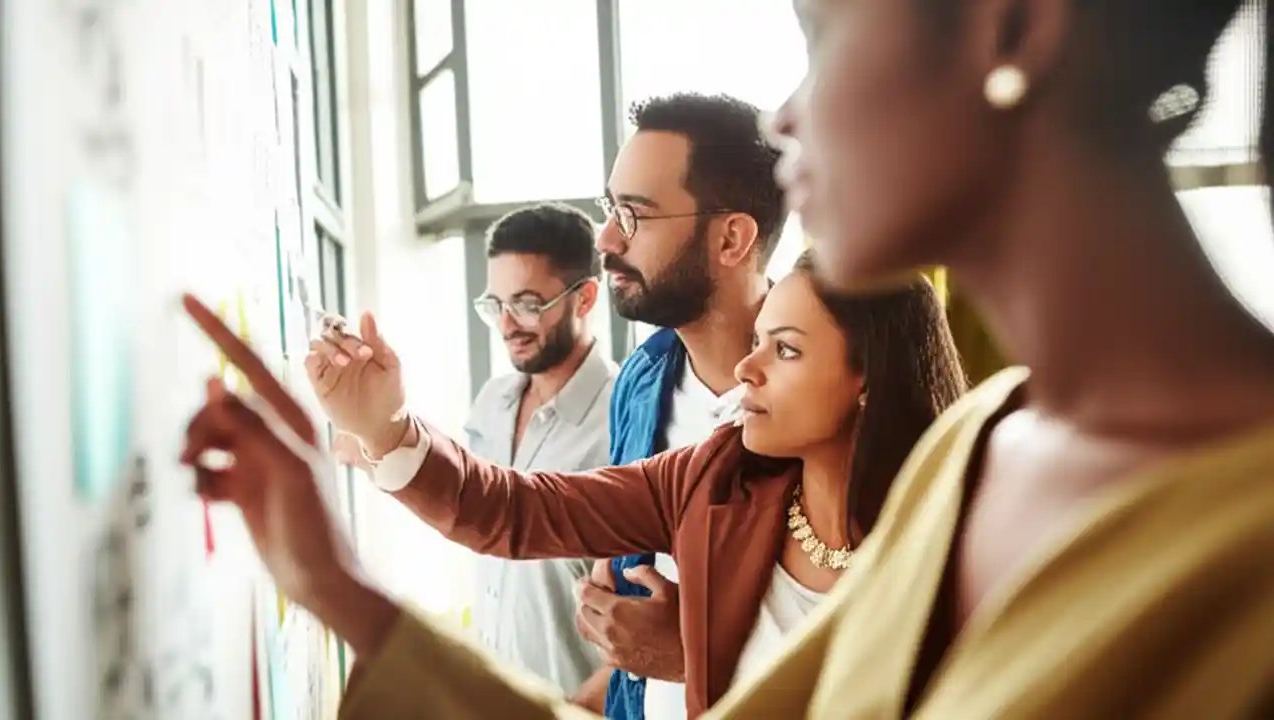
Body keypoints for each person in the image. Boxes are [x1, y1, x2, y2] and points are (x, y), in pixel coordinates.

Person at [183, 0, 1274, 716]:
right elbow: (525, 510)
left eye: (823, 34)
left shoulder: (1239, 548)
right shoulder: (971, 455)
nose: (790, 112)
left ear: (1012, 30)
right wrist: (332, 581)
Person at [182, 247, 965, 717]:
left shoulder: (961, 536)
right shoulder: (713, 475)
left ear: (870, 379)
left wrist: (692, 655)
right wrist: (386, 430)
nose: (749, 367)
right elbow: (518, 509)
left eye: (786, 350)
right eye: (757, 341)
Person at [352, 203, 616, 707]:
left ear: (584, 299)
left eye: (528, 304)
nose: (507, 324)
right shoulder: (493, 402)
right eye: (495, 305)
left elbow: (642, 635)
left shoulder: (626, 418)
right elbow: (463, 501)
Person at [590, 92, 787, 720]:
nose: (606, 237)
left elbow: (886, 644)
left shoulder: (840, 388)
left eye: (634, 215)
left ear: (731, 238)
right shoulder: (640, 379)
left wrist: (693, 657)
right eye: (608, 208)